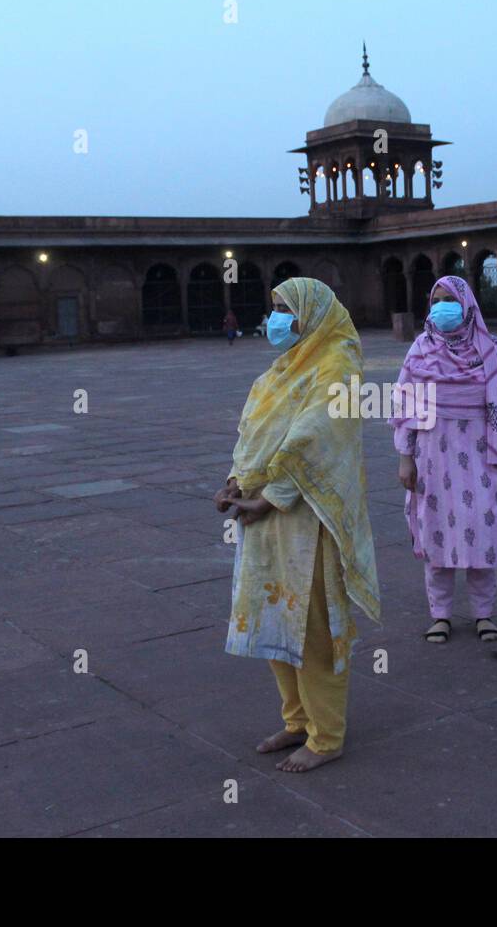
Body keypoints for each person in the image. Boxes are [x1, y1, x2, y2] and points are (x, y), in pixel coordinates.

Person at [215, 277, 380, 773]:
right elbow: (251, 431)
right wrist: (234, 481)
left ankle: (327, 735)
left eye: (286, 309)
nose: (277, 319)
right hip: (259, 512)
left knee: (309, 627)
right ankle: (297, 720)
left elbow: (319, 437)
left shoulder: (338, 364)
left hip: (306, 514)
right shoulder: (278, 370)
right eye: (274, 309)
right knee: (273, 617)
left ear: (311, 313)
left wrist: (273, 495)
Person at [390, 275, 497, 645]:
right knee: (437, 532)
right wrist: (405, 458)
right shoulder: (420, 349)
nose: (442, 306)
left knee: (483, 530)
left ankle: (483, 614)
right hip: (433, 452)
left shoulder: (491, 349)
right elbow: (406, 406)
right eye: (437, 299)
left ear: (468, 304)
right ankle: (440, 615)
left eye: (451, 299)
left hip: (481, 451)